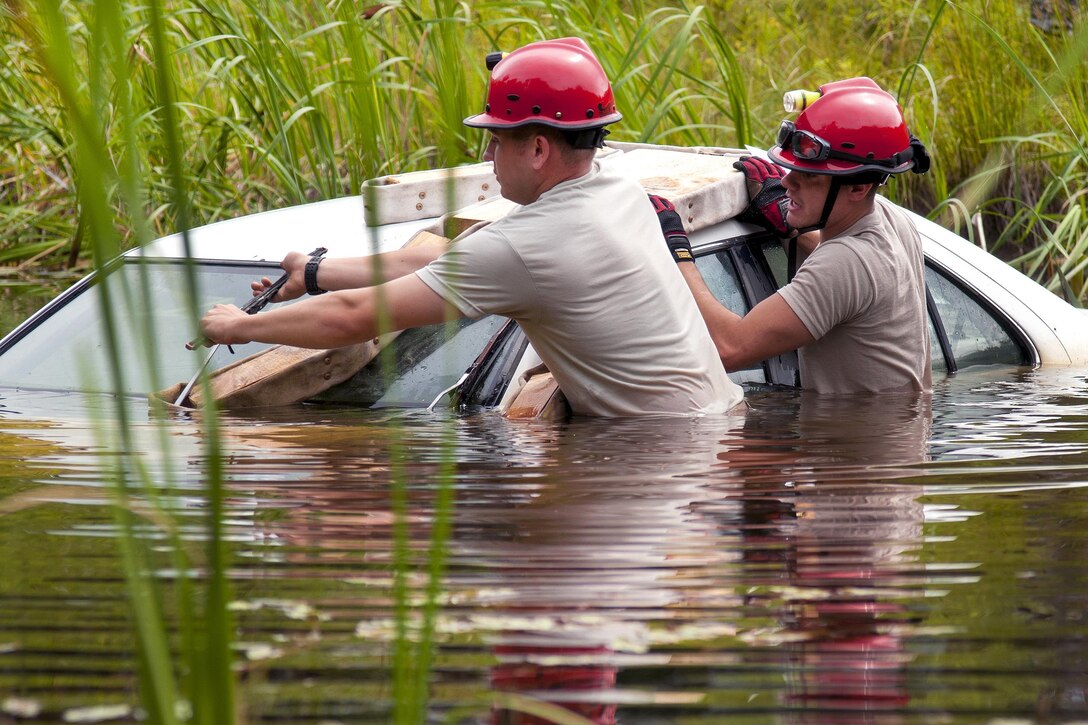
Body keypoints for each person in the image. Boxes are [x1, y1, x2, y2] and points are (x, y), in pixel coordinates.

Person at [199, 37, 743, 417]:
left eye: (496, 140)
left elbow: (356, 318)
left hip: (654, 460)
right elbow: (453, 257)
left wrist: (238, 327)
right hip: (708, 431)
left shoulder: (531, 246)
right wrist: (315, 272)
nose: (486, 154)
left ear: (536, 147)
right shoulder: (614, 191)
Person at [654, 77, 933, 394]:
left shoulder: (844, 264)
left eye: (810, 176)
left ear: (858, 187)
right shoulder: (890, 220)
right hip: (895, 437)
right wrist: (793, 228)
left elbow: (728, 349)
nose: (787, 183)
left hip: (853, 444)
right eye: (791, 169)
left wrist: (676, 250)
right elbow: (852, 281)